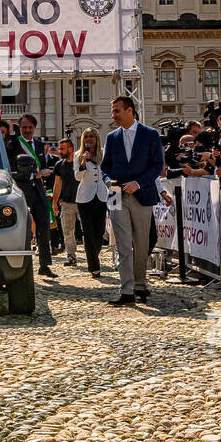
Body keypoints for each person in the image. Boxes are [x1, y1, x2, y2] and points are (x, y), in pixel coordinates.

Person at [101, 95, 164, 305]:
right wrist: (109, 181)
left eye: (117, 111)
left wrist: (139, 182)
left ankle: (140, 284)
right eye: (113, 111)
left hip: (143, 194)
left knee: (141, 242)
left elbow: (157, 166)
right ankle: (126, 290)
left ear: (130, 111)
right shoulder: (111, 137)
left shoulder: (150, 134)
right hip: (116, 196)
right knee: (123, 243)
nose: (113, 115)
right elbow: (104, 167)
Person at [7, 114, 55, 277]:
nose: (27, 130)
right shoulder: (14, 145)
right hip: (22, 191)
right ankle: (24, 267)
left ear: (35, 128)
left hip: (39, 192)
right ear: (20, 128)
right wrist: (35, 175)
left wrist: (46, 171)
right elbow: (13, 170)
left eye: (30, 127)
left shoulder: (41, 145)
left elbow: (45, 166)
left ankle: (45, 265)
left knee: (44, 229)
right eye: (24, 127)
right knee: (23, 230)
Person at [72, 128, 111, 276]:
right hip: (84, 197)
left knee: (99, 232)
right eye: (86, 137)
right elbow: (77, 177)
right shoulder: (78, 155)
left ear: (96, 138)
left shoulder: (103, 154)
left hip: (101, 196)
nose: (89, 139)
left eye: (92, 136)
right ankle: (94, 266)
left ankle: (93, 256)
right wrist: (83, 162)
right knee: (87, 232)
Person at [50, 137, 79, 265]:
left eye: (62, 148)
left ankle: (92, 257)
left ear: (70, 149)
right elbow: (57, 185)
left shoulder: (80, 163)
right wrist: (54, 202)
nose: (59, 151)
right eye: (59, 148)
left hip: (83, 201)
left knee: (88, 231)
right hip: (67, 202)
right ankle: (71, 257)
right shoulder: (59, 165)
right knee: (67, 231)